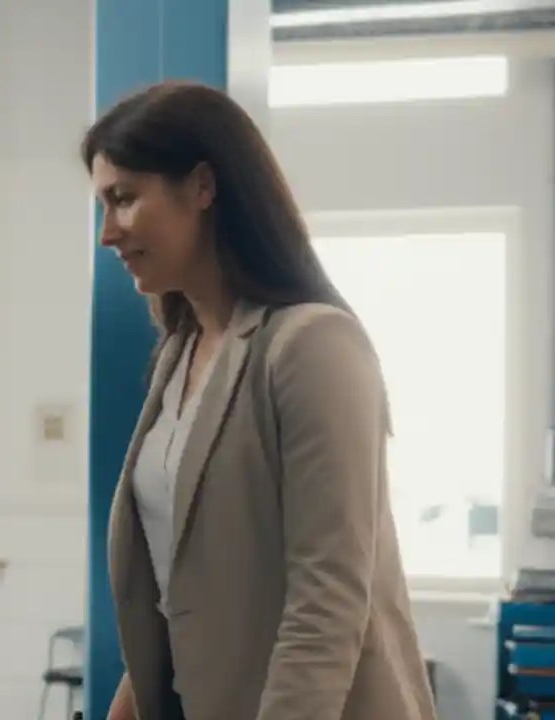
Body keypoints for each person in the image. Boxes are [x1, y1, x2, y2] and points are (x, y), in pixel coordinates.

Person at [84, 81, 438, 720]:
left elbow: (326, 603)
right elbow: (176, 595)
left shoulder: (313, 345)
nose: (108, 232)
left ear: (202, 187)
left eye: (125, 198)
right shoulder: (179, 355)